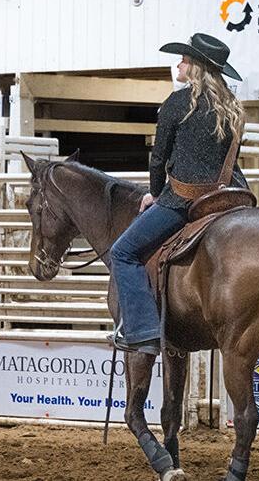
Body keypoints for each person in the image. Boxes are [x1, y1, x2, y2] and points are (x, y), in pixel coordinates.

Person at [108, 33, 248, 355]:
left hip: (185, 200)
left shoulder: (178, 103)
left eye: (184, 59)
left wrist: (156, 193)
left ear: (196, 66)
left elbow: (158, 158)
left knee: (123, 252)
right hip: (232, 197)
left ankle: (142, 331)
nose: (179, 64)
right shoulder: (234, 108)